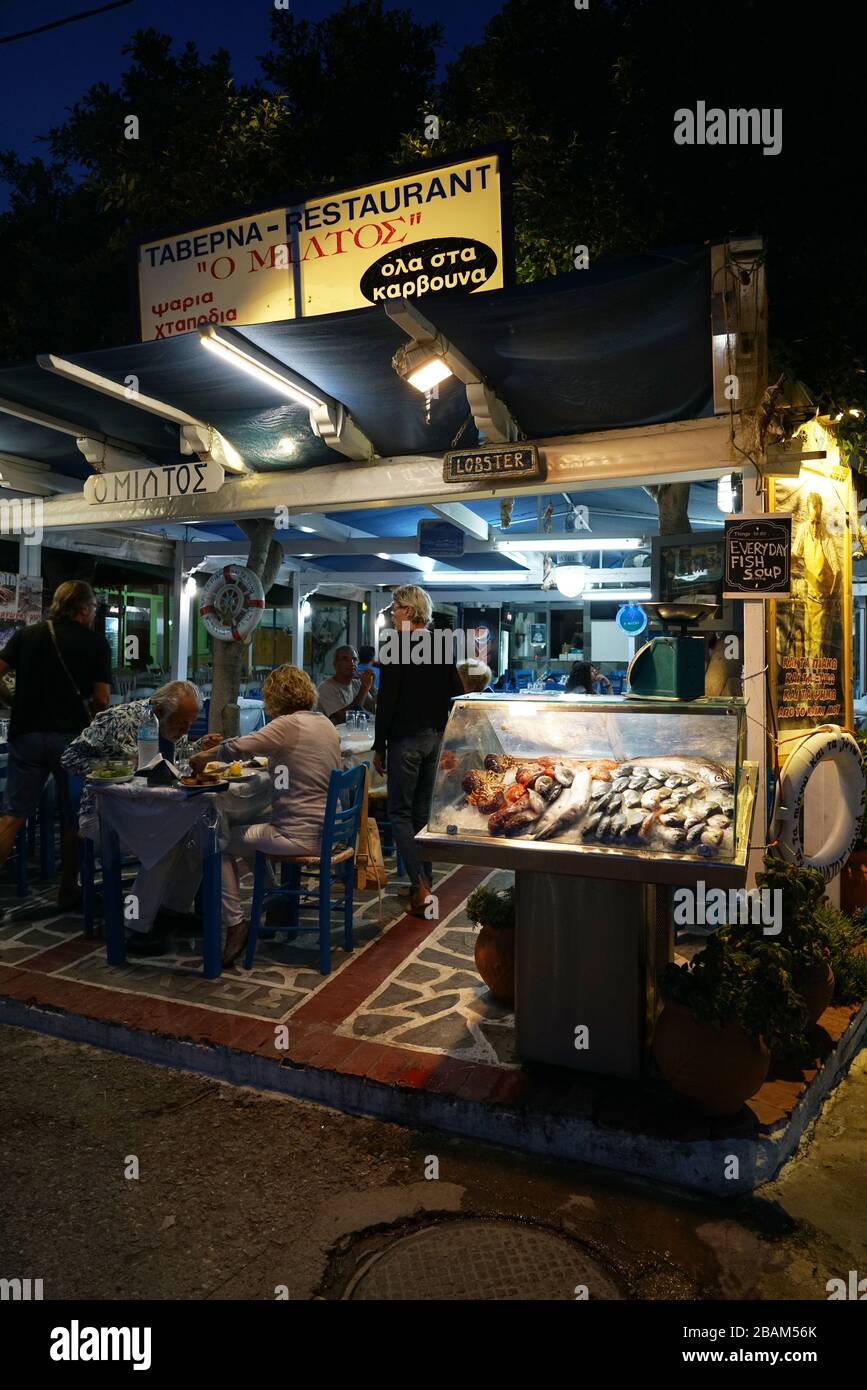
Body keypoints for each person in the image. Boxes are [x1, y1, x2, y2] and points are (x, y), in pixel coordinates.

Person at [189, 664, 340, 967]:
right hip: (330, 831)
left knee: (218, 841)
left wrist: (202, 757)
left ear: (275, 697)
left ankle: (235, 924)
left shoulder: (286, 725)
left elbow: (241, 747)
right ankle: (275, 898)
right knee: (250, 832)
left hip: (300, 836)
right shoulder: (323, 722)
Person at [60, 679, 203, 955]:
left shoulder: (174, 727)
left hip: (152, 812)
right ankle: (135, 927)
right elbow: (69, 758)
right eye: (182, 723)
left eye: (189, 724)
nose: (185, 730)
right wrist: (117, 767)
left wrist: (196, 754)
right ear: (160, 711)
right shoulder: (117, 720)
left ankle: (171, 911)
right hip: (104, 817)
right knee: (168, 840)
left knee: (200, 835)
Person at [0, 580, 111, 915]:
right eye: (93, 607)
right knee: (74, 817)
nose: (94, 613)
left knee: (12, 815)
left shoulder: (28, 635)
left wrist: (13, 701)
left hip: (26, 736)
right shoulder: (95, 643)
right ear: (82, 608)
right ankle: (67, 891)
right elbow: (103, 698)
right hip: (71, 740)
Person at [373, 585, 464, 917]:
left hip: (405, 740)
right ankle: (421, 883)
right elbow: (456, 693)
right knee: (421, 816)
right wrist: (450, 738)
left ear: (409, 611)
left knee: (398, 813)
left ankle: (421, 885)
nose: (392, 614)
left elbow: (387, 701)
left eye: (395, 608)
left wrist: (378, 745)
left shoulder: (395, 645)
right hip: (434, 739)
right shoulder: (441, 643)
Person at [792, 491, 840, 657]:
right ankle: (809, 678)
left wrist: (830, 594)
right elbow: (795, 555)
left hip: (821, 598)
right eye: (812, 520)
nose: (814, 525)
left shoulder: (825, 534)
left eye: (817, 520)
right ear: (808, 509)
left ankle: (817, 681)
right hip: (806, 595)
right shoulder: (803, 529)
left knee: (818, 642)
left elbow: (837, 568)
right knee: (806, 640)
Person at [317, 646, 377, 724]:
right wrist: (364, 688)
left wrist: (372, 687)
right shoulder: (326, 687)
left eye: (354, 659)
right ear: (335, 664)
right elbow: (344, 718)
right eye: (345, 659)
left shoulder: (357, 683)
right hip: (334, 735)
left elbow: (374, 709)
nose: (352, 663)